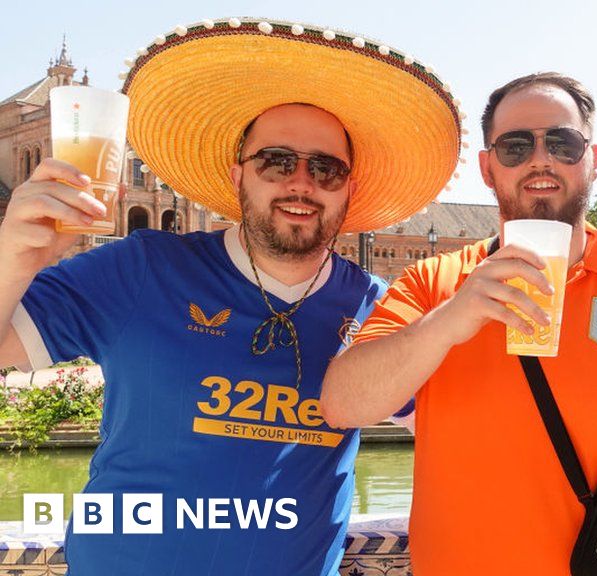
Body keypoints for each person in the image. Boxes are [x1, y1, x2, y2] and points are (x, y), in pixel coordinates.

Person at [0, 18, 460, 576]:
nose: (301, 182)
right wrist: (15, 256)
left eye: (326, 168)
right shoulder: (143, 267)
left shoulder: (380, 309)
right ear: (238, 174)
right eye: (276, 161)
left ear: (349, 188)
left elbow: (463, 438)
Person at [321, 72, 597, 576]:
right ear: (487, 169)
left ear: (592, 160)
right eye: (514, 146)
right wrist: (449, 319)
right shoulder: (431, 283)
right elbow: (342, 404)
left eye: (562, 142)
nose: (539, 159)